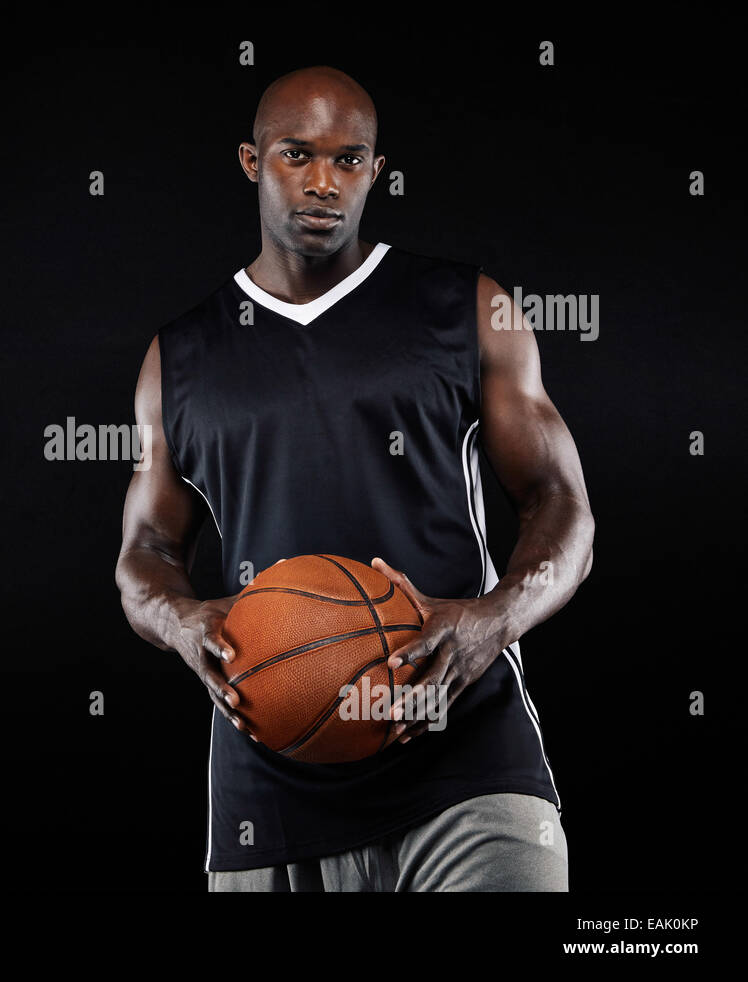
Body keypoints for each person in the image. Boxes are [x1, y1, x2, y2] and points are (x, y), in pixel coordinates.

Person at [114, 66, 595, 891]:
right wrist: (183, 621)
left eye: (350, 160)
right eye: (297, 155)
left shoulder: (467, 307)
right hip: (269, 789)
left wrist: (494, 621)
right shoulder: (182, 357)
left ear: (376, 170)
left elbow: (563, 506)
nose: (323, 183)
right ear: (250, 162)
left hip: (465, 763)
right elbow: (145, 551)